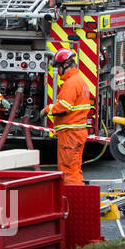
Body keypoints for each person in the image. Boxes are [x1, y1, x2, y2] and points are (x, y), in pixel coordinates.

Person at [44, 49, 93, 185]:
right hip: (77, 132)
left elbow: (63, 107)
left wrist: (48, 109)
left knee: (68, 170)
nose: (58, 71)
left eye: (58, 67)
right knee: (75, 169)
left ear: (65, 65)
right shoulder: (79, 81)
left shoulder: (71, 83)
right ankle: (79, 193)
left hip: (69, 134)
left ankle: (72, 202)